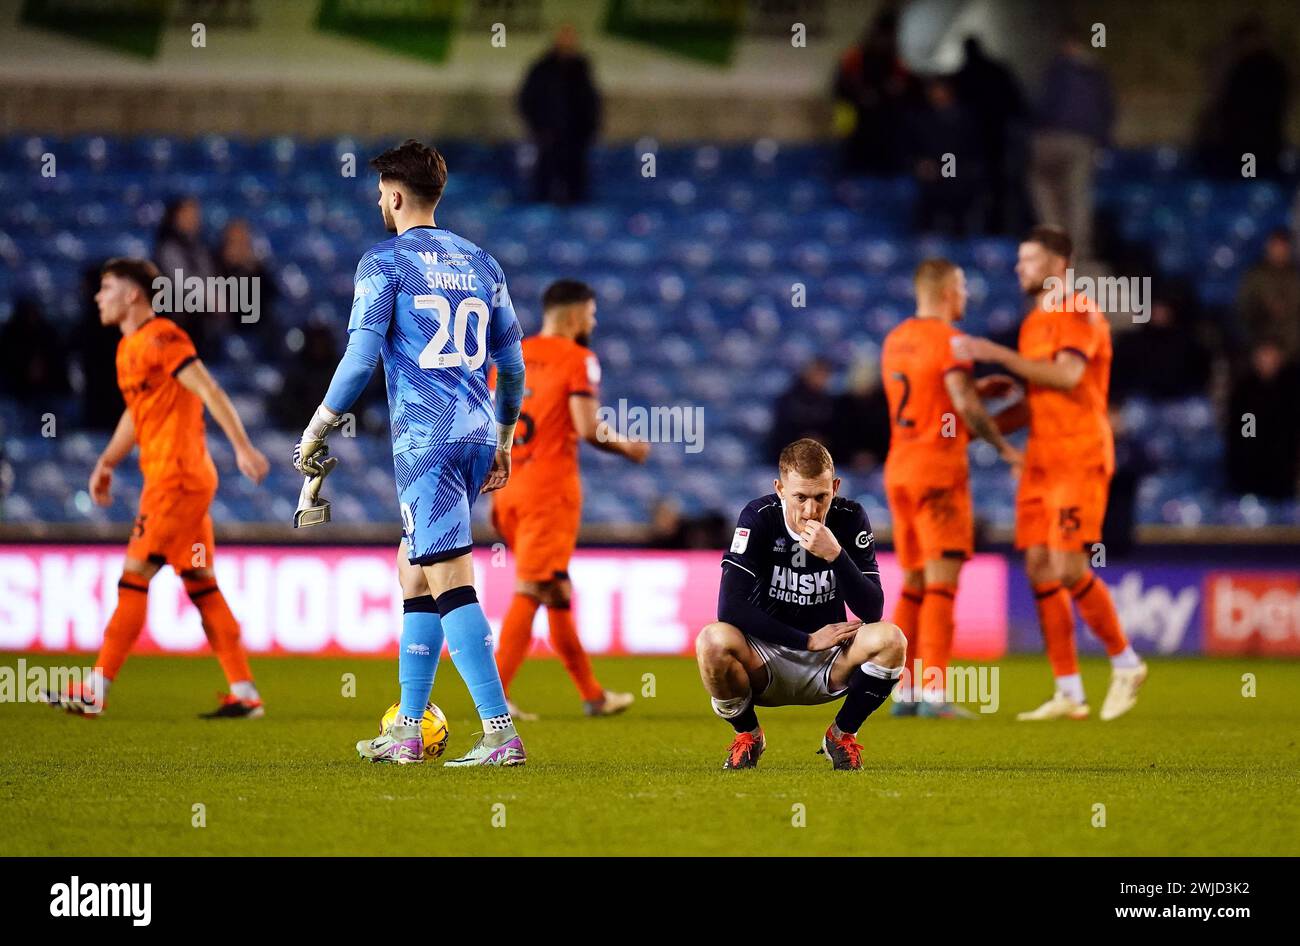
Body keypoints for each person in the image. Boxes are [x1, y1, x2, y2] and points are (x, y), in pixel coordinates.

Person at [292, 139, 528, 767]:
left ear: (395, 196)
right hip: (476, 433)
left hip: (427, 444)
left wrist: (318, 424)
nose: (378, 200)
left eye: (380, 192)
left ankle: (500, 731)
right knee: (414, 571)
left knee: (451, 580)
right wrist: (503, 440)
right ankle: (408, 727)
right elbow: (514, 362)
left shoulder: (385, 262)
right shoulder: (483, 263)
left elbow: (362, 357)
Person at [42, 258, 270, 717]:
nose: (97, 297)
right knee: (201, 582)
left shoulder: (164, 337)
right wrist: (107, 461)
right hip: (180, 479)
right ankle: (245, 692)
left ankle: (96, 689)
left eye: (106, 287)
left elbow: (209, 390)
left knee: (134, 576)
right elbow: (137, 413)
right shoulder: (129, 349)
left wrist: (243, 447)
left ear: (132, 295)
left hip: (177, 480)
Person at [953, 226, 1147, 721]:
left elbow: (1067, 376)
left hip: (1078, 454)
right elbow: (1039, 401)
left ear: (1059, 263)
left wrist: (998, 356)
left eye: (1029, 259)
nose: (1020, 268)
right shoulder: (1034, 323)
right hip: (1042, 457)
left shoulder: (1077, 309)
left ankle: (1126, 662)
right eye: (1019, 259)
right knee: (1040, 568)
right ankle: (1069, 691)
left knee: (1067, 567)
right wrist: (981, 426)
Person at [490, 279, 649, 719]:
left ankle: (593, 696)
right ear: (576, 315)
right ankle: (494, 697)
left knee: (557, 590)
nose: (592, 323)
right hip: (549, 492)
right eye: (592, 314)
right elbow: (586, 426)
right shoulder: (580, 359)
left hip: (507, 488)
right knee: (533, 587)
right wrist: (627, 447)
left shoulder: (508, 355)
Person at [694, 439, 904, 770]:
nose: (810, 509)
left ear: (835, 487)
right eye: (800, 497)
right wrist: (805, 640)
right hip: (765, 658)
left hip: (830, 662)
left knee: (891, 640)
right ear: (779, 489)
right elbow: (730, 607)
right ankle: (748, 735)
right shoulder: (758, 517)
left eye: (821, 497)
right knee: (712, 640)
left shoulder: (850, 518)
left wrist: (837, 555)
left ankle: (841, 734)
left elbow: (872, 610)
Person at [881, 259, 1022, 717]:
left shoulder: (896, 339)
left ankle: (902, 691)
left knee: (915, 583)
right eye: (962, 286)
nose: (966, 295)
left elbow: (927, 396)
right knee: (943, 585)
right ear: (946, 291)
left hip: (900, 469)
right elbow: (958, 402)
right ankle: (936, 695)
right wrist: (1004, 447)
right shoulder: (953, 342)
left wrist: (978, 388)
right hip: (938, 471)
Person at [1028, 29, 1114, 261]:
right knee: (1076, 195)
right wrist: (1102, 142)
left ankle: (1056, 246)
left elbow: (1041, 106)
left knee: (1045, 188)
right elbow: (1107, 110)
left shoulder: (1056, 70)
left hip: (1051, 138)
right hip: (1080, 141)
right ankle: (1077, 250)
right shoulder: (1096, 72)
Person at [518, 24, 601, 204]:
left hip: (575, 140)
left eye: (570, 38)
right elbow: (527, 100)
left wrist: (588, 129)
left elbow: (591, 103)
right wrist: (539, 128)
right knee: (544, 186)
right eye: (564, 38)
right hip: (548, 138)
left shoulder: (582, 70)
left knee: (576, 186)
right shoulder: (542, 68)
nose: (567, 43)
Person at [1225, 339, 1300, 499]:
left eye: (1271, 356)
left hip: (1285, 456)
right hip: (1254, 454)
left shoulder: (1292, 386)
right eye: (1263, 357)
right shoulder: (1245, 390)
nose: (1266, 362)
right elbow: (1246, 428)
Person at [154, 196, 220, 359]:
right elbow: (181, 282)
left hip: (202, 320)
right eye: (188, 214)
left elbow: (210, 276)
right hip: (178, 319)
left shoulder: (201, 248)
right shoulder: (167, 247)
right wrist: (210, 299)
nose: (194, 219)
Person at [1235, 228, 1300, 358]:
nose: (1279, 251)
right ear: (1268, 247)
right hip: (1264, 348)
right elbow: (1243, 309)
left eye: (1283, 247)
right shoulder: (1255, 276)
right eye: (1276, 247)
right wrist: (1264, 310)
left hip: (1294, 347)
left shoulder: (1296, 276)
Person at [766, 356, 836, 462]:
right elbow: (782, 432)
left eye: (824, 375)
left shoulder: (829, 401)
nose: (821, 378)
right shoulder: (788, 399)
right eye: (817, 373)